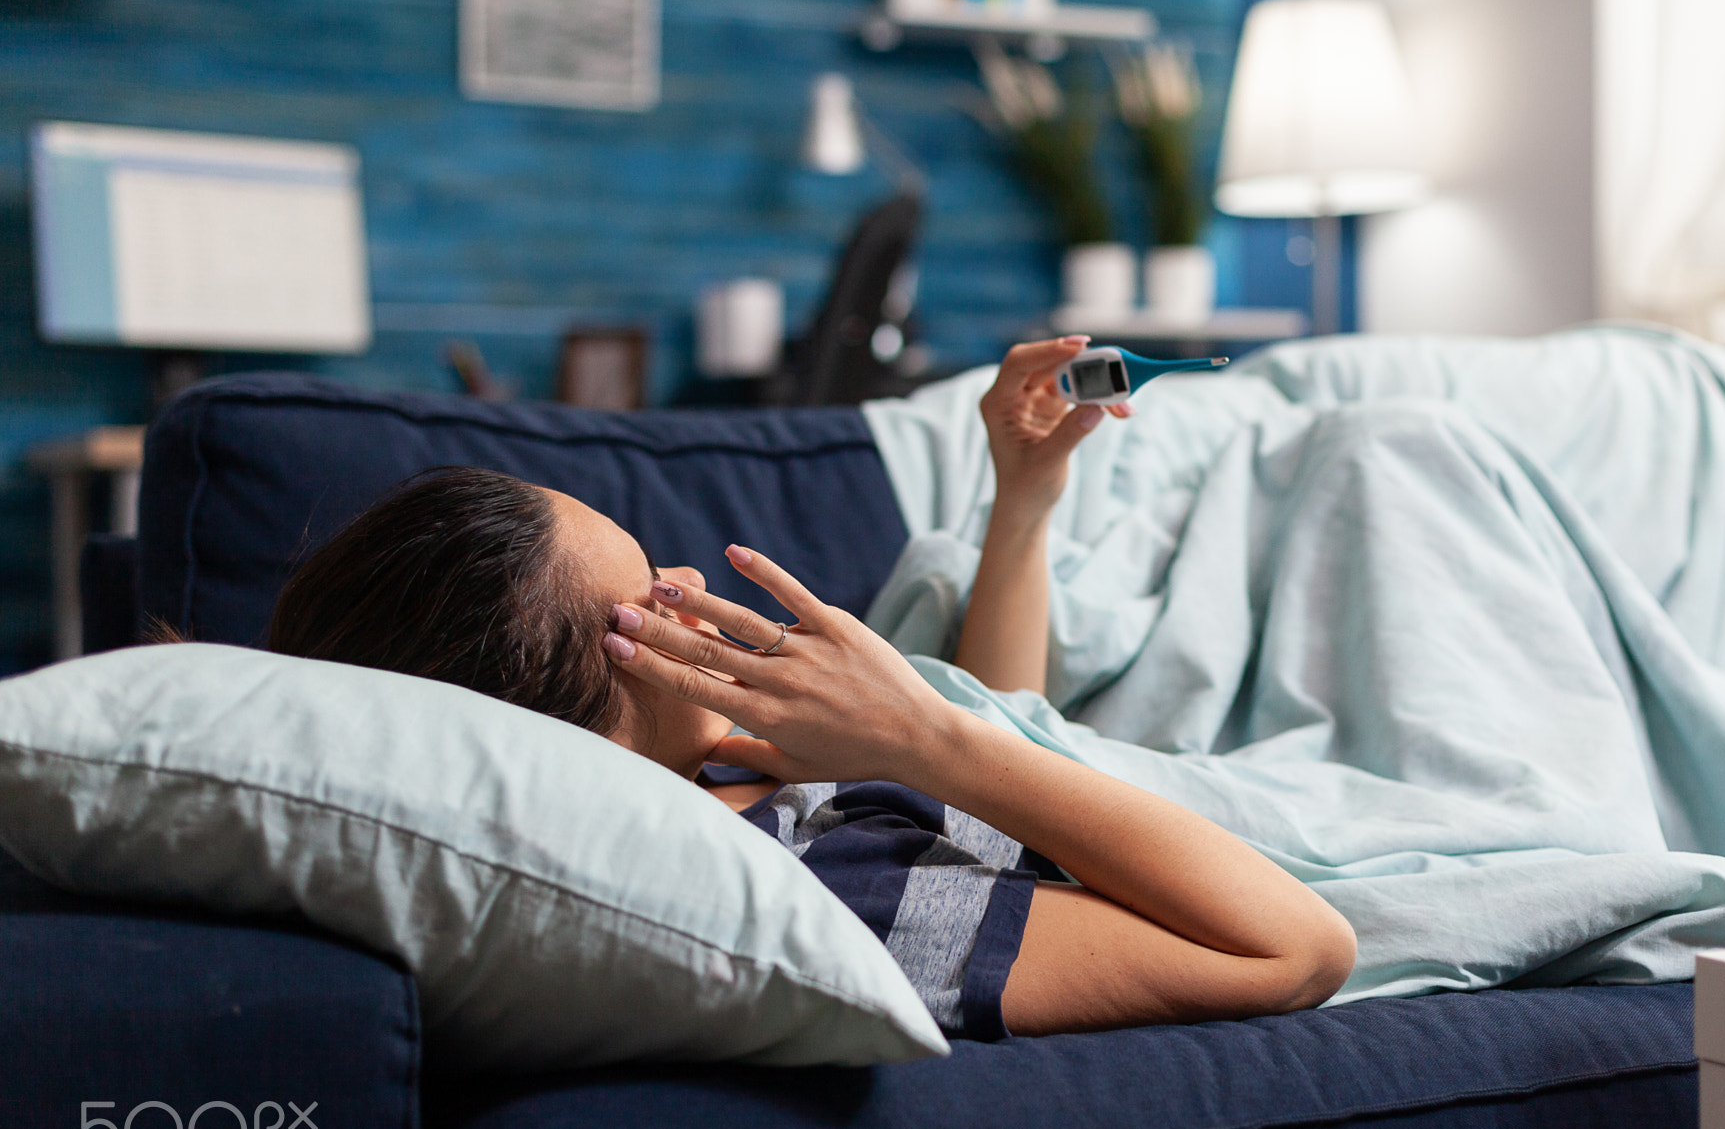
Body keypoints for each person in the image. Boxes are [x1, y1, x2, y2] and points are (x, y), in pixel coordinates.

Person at [267, 337, 1355, 1040]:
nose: (688, 581)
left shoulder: (730, 757)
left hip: (1178, 746)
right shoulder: (805, 898)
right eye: (652, 592)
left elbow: (1011, 741)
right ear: (564, 727)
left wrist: (1019, 504)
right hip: (1304, 835)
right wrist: (920, 735)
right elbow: (1294, 949)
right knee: (1377, 453)